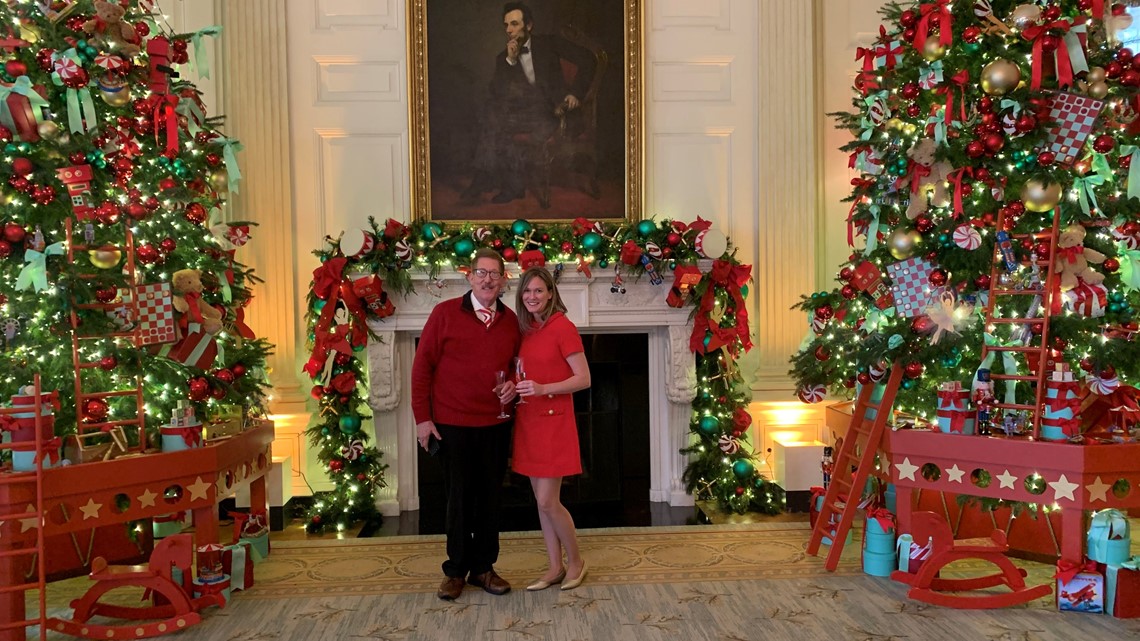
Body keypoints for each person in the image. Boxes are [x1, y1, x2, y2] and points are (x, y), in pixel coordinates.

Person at [411, 248, 521, 600]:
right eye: (481, 272)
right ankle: (456, 570)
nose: (488, 279)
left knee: (490, 498)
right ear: (469, 277)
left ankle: (484, 568)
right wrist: (422, 420)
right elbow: (421, 369)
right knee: (458, 498)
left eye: (494, 274)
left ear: (503, 280)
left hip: (495, 423)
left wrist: (514, 387)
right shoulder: (444, 314)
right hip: (451, 423)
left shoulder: (511, 320)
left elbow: (519, 367)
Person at [460, 1, 597, 206]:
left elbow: (589, 59)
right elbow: (497, 93)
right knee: (494, 115)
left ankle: (491, 179)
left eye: (514, 24)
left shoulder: (549, 43)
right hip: (523, 114)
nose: (509, 30)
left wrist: (575, 93)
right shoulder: (503, 58)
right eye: (506, 25)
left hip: (554, 111)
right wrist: (511, 61)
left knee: (498, 121)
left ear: (529, 25)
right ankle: (502, 183)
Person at [512, 266, 591, 591]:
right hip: (528, 421)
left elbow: (584, 379)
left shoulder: (563, 327)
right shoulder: (526, 330)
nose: (532, 297)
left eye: (538, 291)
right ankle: (554, 566)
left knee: (548, 501)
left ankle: (576, 562)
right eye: (527, 291)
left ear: (550, 294)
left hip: (554, 422)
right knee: (540, 502)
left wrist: (545, 389)